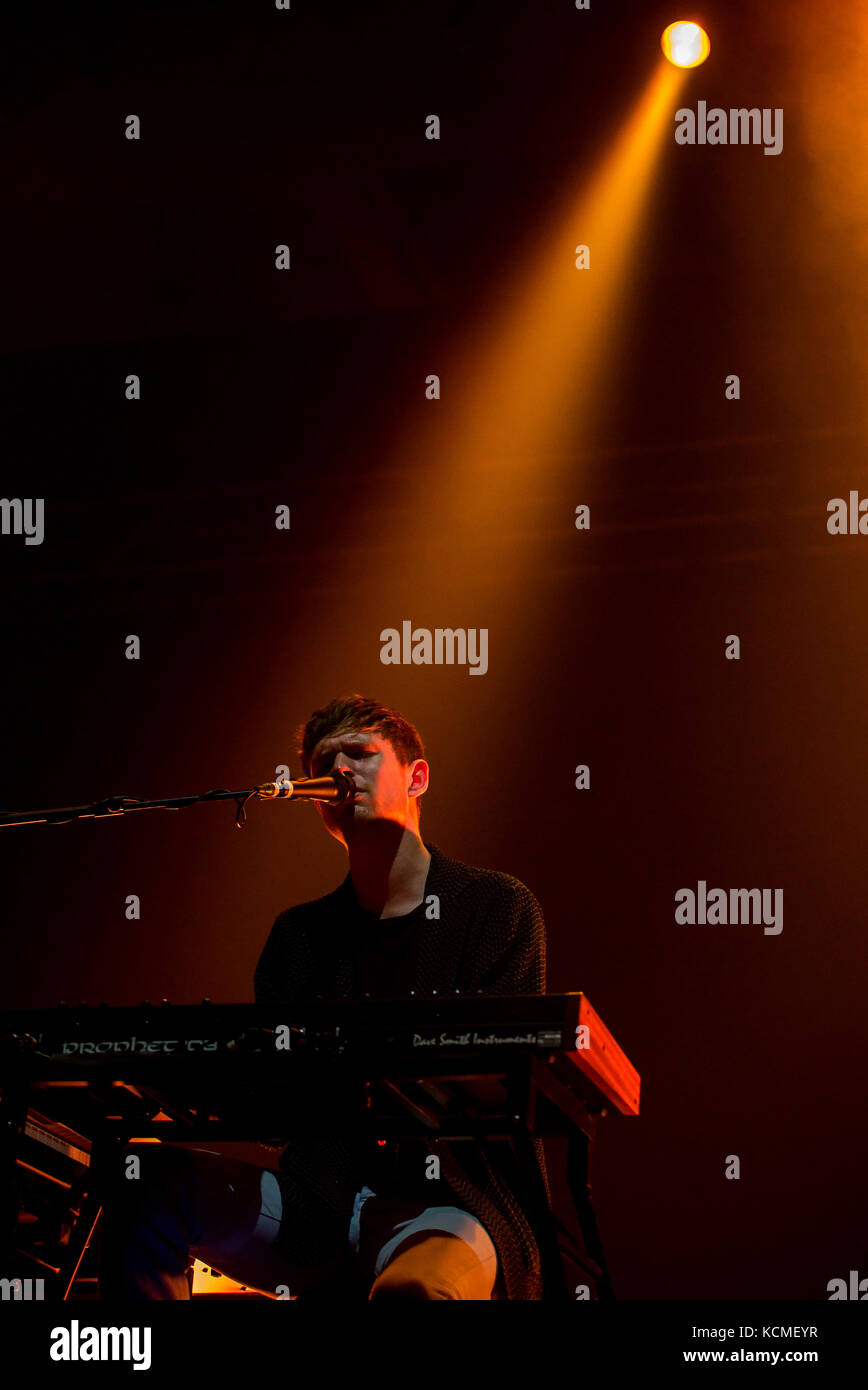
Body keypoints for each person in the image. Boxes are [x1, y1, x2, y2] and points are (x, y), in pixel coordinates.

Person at [98, 695, 551, 1300]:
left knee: (413, 1294)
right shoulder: (298, 936)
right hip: (318, 1204)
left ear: (417, 777)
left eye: (360, 755)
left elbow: (501, 1077)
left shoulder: (495, 906)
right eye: (324, 761)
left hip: (446, 1198)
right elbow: (280, 1111)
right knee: (147, 1182)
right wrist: (191, 1072)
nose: (340, 771)